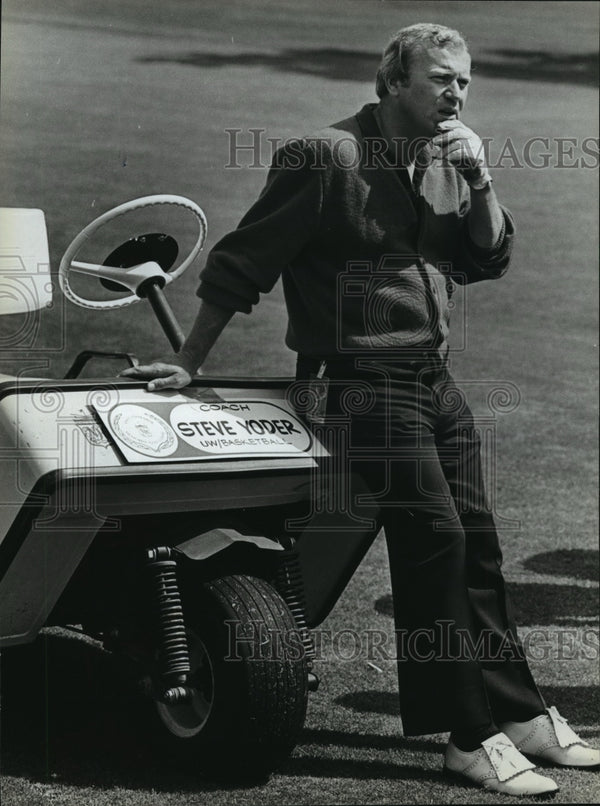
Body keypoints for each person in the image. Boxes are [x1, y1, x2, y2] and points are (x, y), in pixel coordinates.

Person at [122, 23, 599, 796]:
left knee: (476, 542)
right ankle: (467, 736)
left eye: (465, 82)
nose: (457, 94)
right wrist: (187, 362)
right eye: (442, 79)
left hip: (431, 378)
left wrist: (480, 181)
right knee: (434, 537)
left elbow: (486, 259)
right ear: (394, 83)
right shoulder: (325, 157)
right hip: (355, 381)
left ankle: (521, 716)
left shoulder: (448, 160)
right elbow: (243, 263)